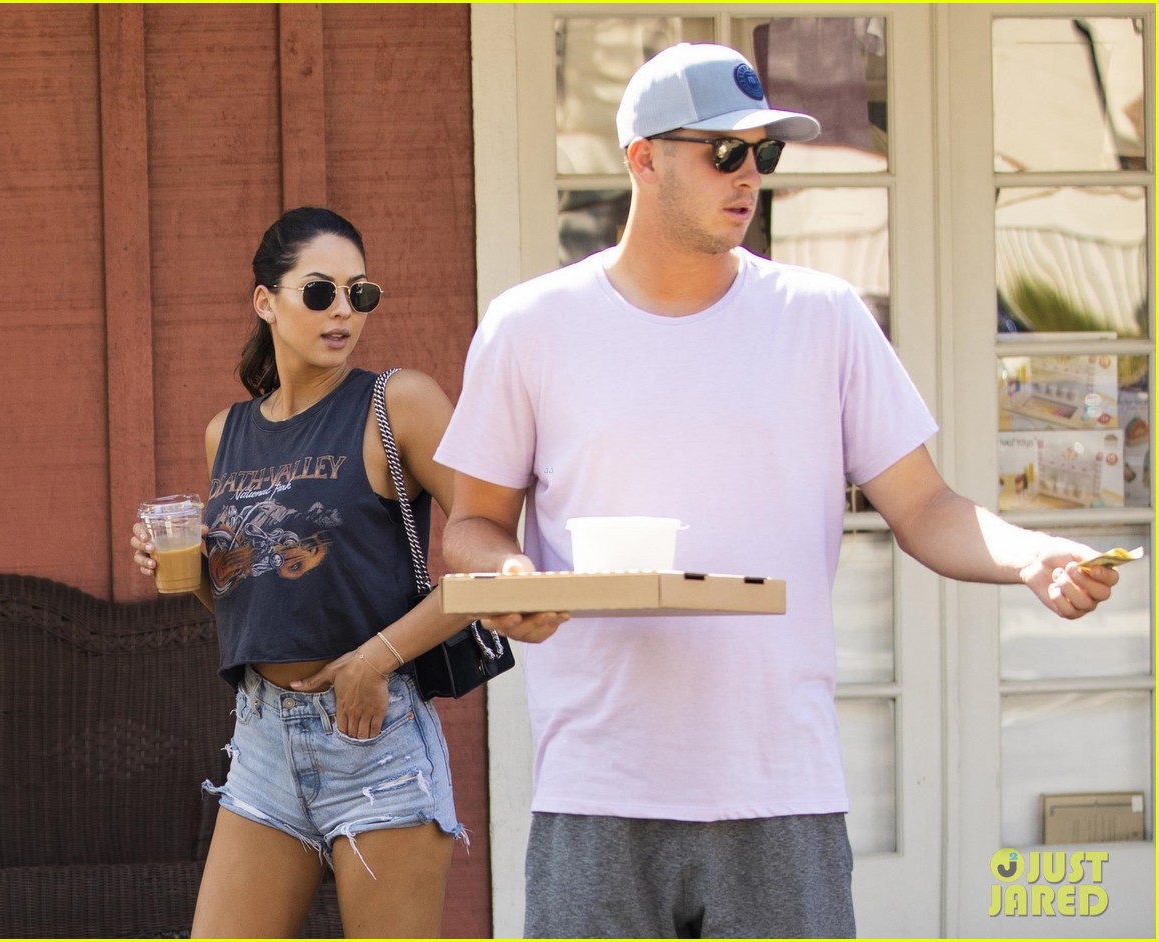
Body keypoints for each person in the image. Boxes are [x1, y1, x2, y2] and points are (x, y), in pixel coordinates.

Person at [434, 43, 1121, 939]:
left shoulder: (822, 317)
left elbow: (923, 507)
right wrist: (515, 579)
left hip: (782, 785)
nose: (749, 175)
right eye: (724, 151)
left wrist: (1035, 556)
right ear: (642, 157)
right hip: (598, 785)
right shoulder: (531, 326)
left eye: (765, 152)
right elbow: (474, 526)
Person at [129, 206, 473, 938]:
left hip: (373, 735)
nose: (343, 311)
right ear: (266, 302)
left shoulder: (396, 403)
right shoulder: (229, 431)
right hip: (262, 738)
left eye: (360, 294)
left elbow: (489, 558)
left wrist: (376, 659)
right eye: (320, 292)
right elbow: (252, 603)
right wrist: (183, 569)